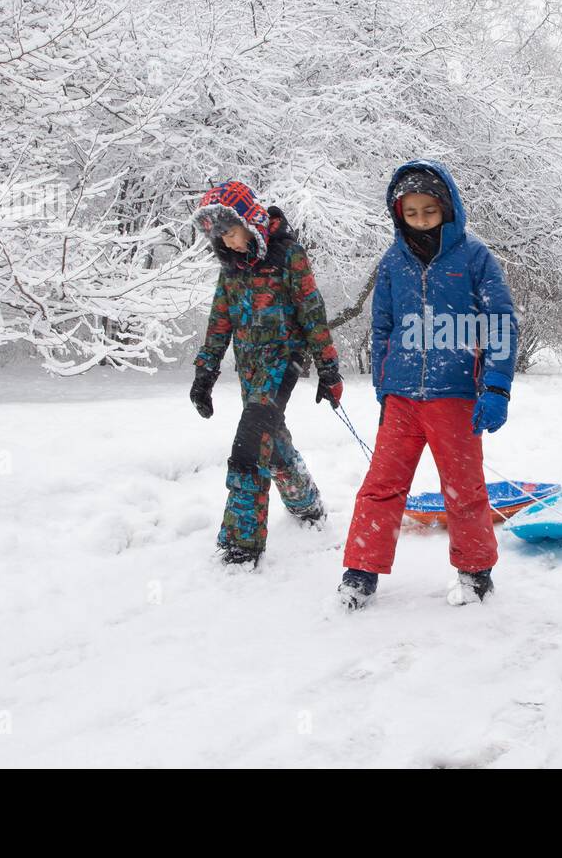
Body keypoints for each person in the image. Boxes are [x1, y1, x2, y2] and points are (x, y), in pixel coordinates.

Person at [337, 160, 518, 609]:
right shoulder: (393, 261)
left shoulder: (474, 258)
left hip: (454, 397)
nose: (420, 220)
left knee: (464, 489)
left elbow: (500, 323)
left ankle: (475, 572)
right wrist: (383, 385)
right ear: (399, 213)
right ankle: (360, 570)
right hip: (401, 397)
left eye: (429, 211)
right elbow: (382, 326)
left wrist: (495, 387)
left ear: (447, 209)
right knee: (381, 485)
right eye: (411, 212)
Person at [190, 180, 343, 569]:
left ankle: (241, 544)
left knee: (249, 444)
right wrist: (205, 372)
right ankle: (307, 505)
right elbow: (220, 319)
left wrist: (328, 368)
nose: (229, 243)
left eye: (231, 232)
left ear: (250, 220)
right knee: (271, 442)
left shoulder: (288, 255)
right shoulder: (231, 268)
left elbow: (311, 311)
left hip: (284, 361)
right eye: (220, 238)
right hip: (250, 367)